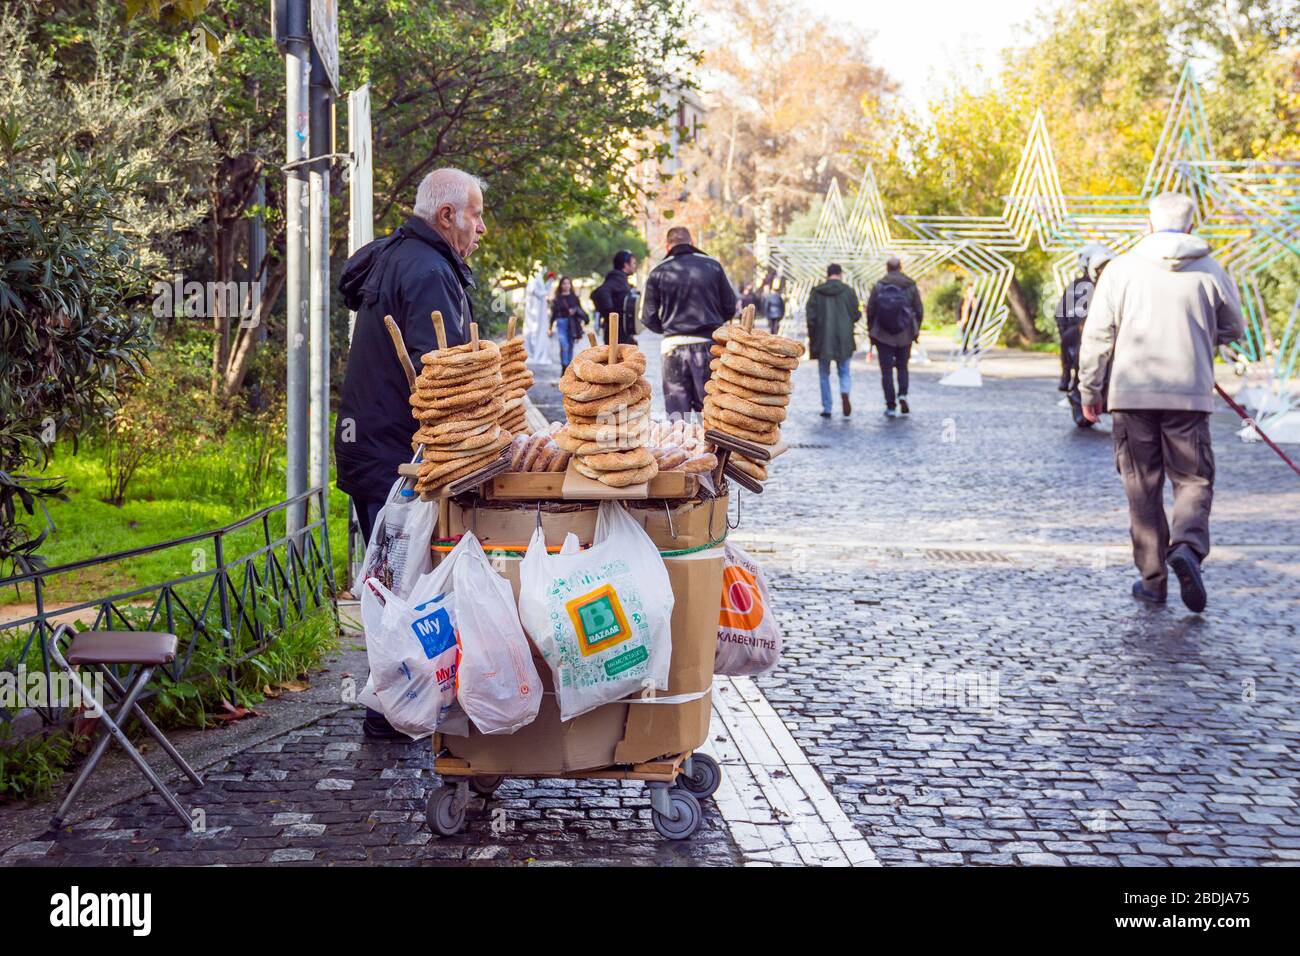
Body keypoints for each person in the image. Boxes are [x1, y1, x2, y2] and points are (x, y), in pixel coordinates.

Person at [335, 167, 486, 739]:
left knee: (390, 581)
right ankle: (391, 712)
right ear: (446, 216)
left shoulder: (402, 256)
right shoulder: (427, 270)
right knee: (397, 585)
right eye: (474, 214)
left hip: (370, 445)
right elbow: (440, 372)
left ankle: (395, 706)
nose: (481, 227)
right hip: (395, 455)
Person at [1079, 192, 1245, 612]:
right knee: (1192, 479)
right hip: (1189, 394)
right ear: (1191, 226)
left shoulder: (1121, 269)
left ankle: (1152, 581)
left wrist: (1089, 390)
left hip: (1131, 393)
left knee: (1142, 484)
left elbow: (1098, 335)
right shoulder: (1211, 270)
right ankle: (1187, 547)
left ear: (1148, 225)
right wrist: (1201, 334)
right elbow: (1233, 328)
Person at [642, 226, 737, 417]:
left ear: (667, 246)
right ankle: (713, 446)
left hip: (673, 347)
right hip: (708, 345)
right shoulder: (713, 266)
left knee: (678, 415)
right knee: (711, 408)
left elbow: (647, 316)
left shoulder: (657, 271)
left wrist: (669, 329)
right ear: (692, 243)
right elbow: (730, 306)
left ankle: (682, 446)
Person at [1056, 244, 1116, 427]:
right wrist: (1076, 326)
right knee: (1073, 347)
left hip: (1112, 334)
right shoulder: (1078, 286)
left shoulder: (1115, 286)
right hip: (1083, 334)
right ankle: (1068, 377)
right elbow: (1062, 313)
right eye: (1100, 267)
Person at [866, 256, 923, 417]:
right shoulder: (910, 285)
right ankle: (903, 395)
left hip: (883, 334)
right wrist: (915, 329)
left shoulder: (879, 285)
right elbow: (919, 309)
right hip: (905, 333)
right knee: (903, 367)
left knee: (886, 372)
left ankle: (890, 405)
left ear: (887, 268)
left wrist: (871, 330)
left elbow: (870, 310)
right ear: (901, 267)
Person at [805, 263, 861, 418]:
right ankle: (844, 392)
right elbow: (856, 315)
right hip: (844, 339)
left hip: (823, 340)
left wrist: (812, 338)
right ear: (840, 274)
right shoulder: (849, 292)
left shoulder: (817, 292)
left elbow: (811, 318)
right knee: (844, 371)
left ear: (827, 274)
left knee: (824, 374)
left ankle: (827, 407)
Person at [591, 250, 639, 347]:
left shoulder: (621, 279)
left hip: (621, 335)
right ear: (626, 265)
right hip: (616, 335)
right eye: (633, 263)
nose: (635, 266)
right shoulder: (616, 279)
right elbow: (599, 293)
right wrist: (611, 314)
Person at [547, 276, 587, 372]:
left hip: (572, 324)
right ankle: (564, 366)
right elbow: (554, 314)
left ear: (570, 285)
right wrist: (550, 327)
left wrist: (583, 317)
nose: (566, 285)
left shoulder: (574, 297)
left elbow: (580, 309)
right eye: (564, 283)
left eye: (568, 283)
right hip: (561, 323)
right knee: (564, 345)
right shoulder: (557, 299)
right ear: (561, 285)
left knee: (570, 346)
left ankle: (568, 368)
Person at [524, 270, 556, 365]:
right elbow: (537, 292)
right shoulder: (534, 278)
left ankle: (537, 352)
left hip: (540, 312)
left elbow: (542, 291)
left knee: (539, 331)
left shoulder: (539, 279)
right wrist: (546, 291)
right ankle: (533, 352)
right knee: (534, 331)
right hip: (535, 311)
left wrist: (550, 281)